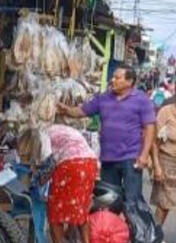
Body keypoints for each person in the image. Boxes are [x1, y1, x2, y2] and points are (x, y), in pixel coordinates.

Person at [57, 65, 155, 206]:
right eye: (113, 77)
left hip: (131, 158)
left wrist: (144, 155)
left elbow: (150, 127)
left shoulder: (141, 99)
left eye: (117, 77)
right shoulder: (103, 98)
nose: (112, 80)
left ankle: (133, 227)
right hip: (108, 158)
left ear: (129, 81)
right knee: (109, 200)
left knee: (132, 201)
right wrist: (66, 110)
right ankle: (114, 228)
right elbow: (82, 111)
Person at [44, 124, 99, 243]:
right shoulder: (66, 130)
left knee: (55, 206)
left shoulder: (44, 135)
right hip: (90, 163)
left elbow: (45, 162)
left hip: (70, 164)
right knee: (82, 206)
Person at [151, 95, 176, 235]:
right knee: (164, 203)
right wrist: (156, 166)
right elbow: (155, 142)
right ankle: (154, 235)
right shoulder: (165, 112)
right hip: (167, 160)